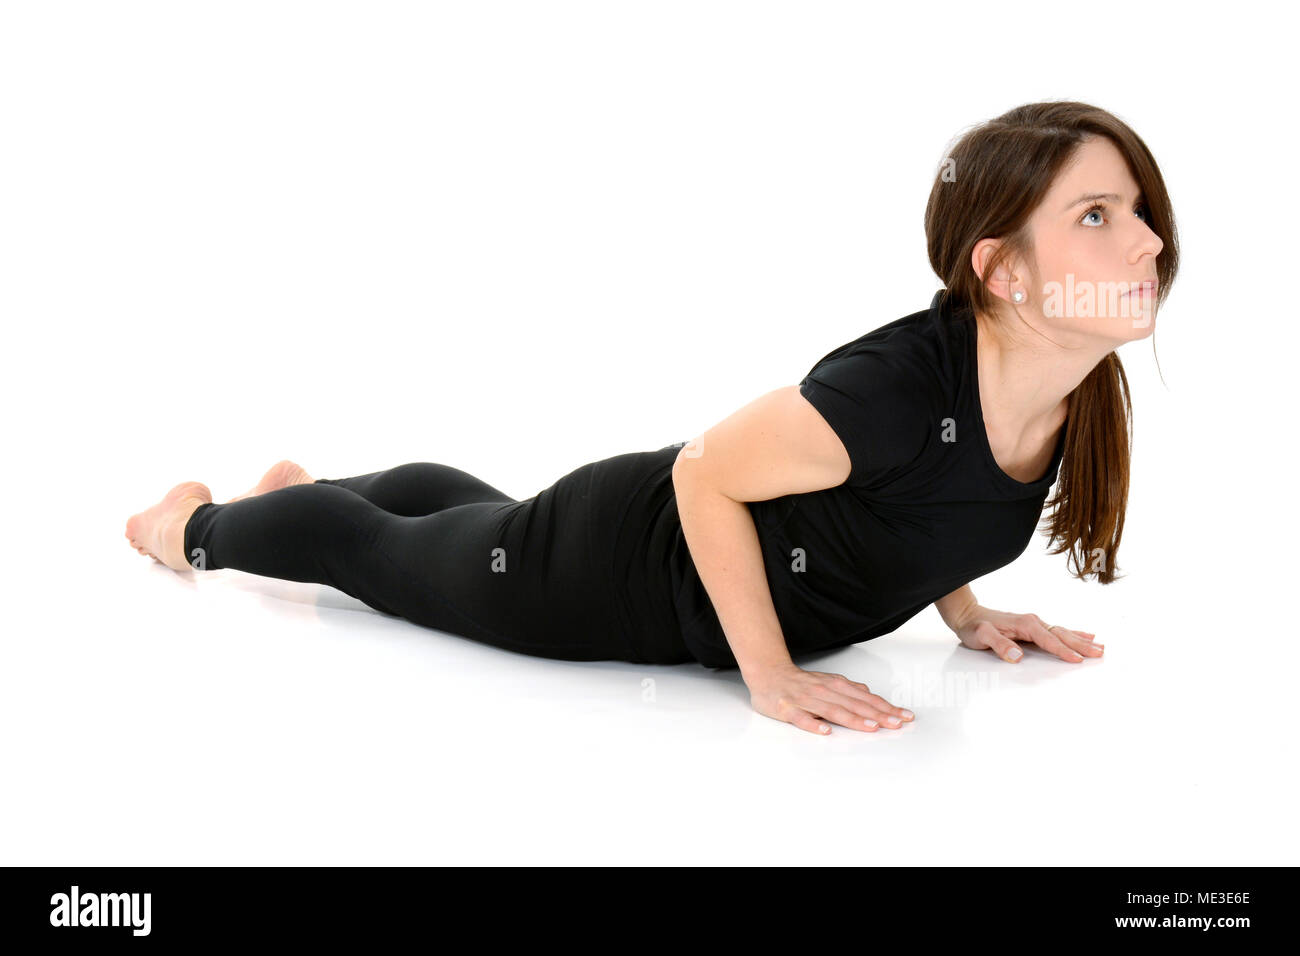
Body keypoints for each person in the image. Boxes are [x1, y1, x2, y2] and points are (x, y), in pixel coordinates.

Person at [125, 100, 1176, 736]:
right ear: (998, 268)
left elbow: (923, 498)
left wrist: (965, 614)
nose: (1144, 241)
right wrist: (767, 676)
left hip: (613, 535)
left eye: (1134, 208)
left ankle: (297, 490)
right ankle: (195, 526)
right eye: (1095, 214)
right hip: (614, 571)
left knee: (471, 523)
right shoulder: (895, 385)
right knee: (382, 559)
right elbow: (707, 474)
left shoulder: (1067, 389)